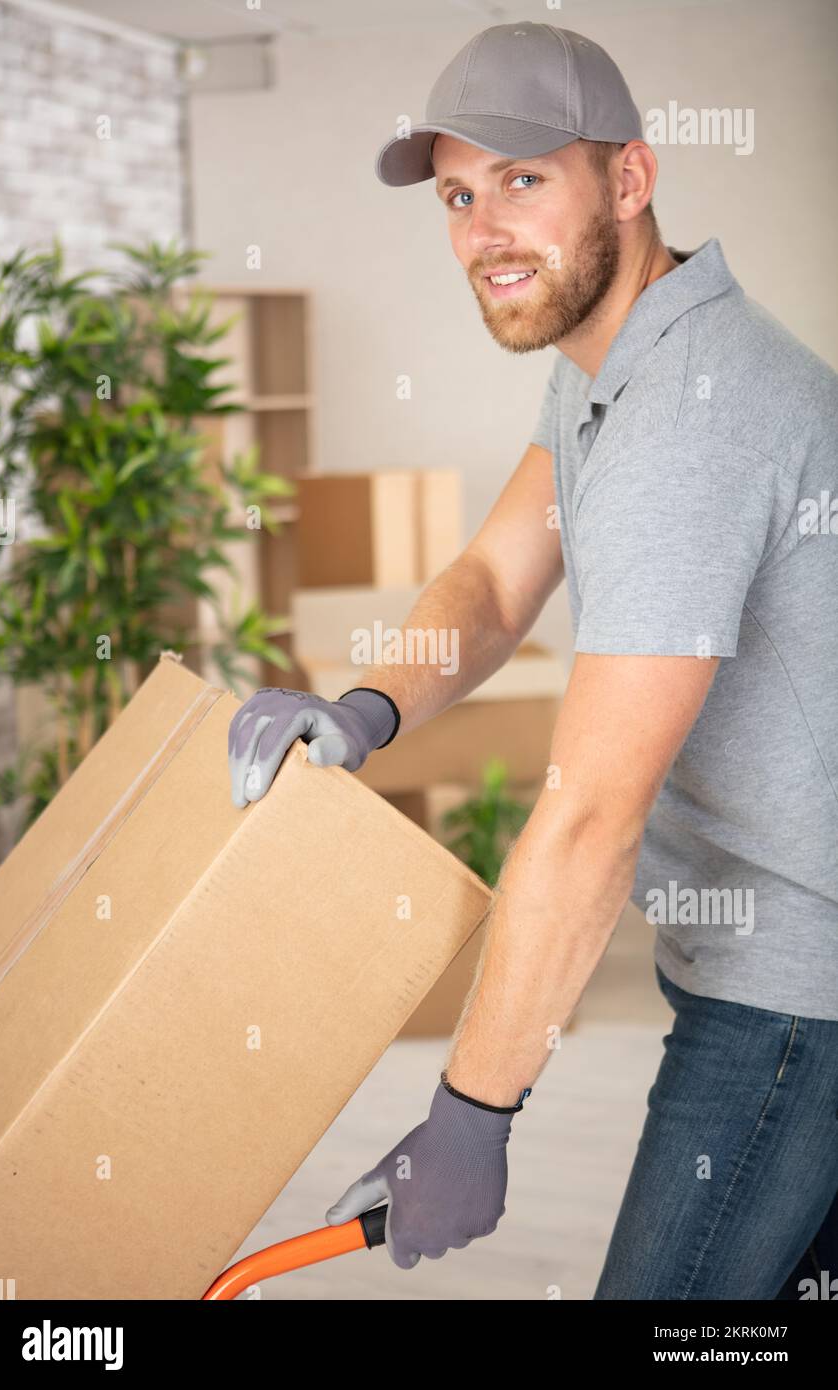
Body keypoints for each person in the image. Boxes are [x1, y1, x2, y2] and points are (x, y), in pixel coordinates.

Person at [227, 21, 838, 1298]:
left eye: (521, 181)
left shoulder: (687, 419)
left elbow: (586, 820)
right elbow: (500, 580)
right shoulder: (612, 361)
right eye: (458, 194)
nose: (483, 231)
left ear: (629, 180)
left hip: (799, 989)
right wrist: (364, 710)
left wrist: (469, 1110)